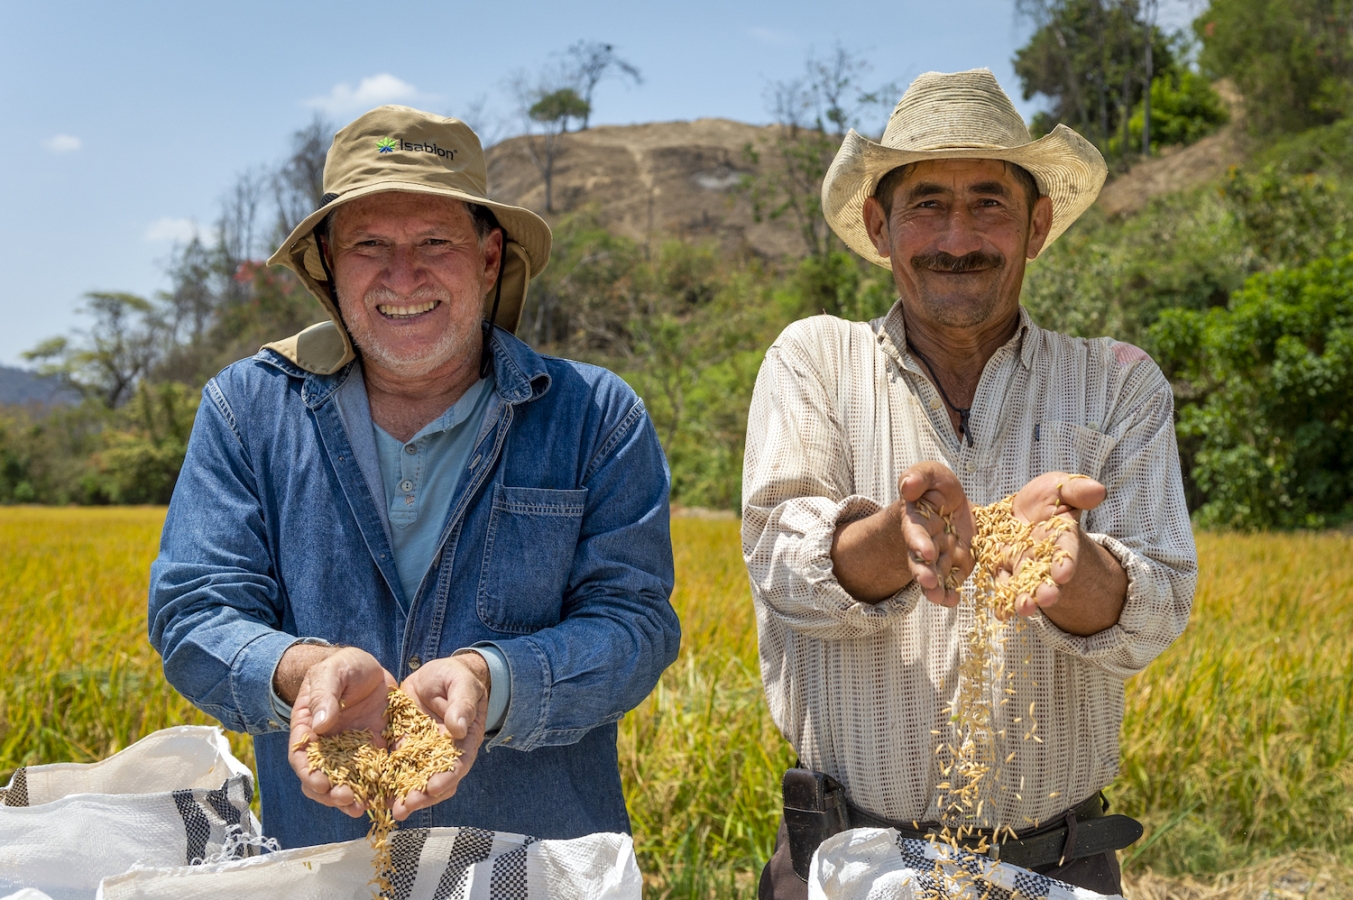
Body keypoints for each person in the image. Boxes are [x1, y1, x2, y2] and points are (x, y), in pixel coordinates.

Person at [148, 105, 680, 849]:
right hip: (324, 862)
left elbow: (634, 624)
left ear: (489, 257)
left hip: (537, 863)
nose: (404, 275)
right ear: (329, 264)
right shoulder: (247, 409)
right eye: (369, 244)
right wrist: (306, 672)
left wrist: (491, 679)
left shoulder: (593, 416)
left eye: (435, 240)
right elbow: (193, 611)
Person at [742, 70, 1197, 897]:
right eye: (927, 205)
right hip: (847, 860)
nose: (959, 235)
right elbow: (779, 565)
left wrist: (1071, 566)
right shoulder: (813, 360)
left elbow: (1157, 604)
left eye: (989, 202)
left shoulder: (1117, 382)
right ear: (880, 226)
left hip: (1055, 860)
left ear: (1037, 225)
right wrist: (901, 536)